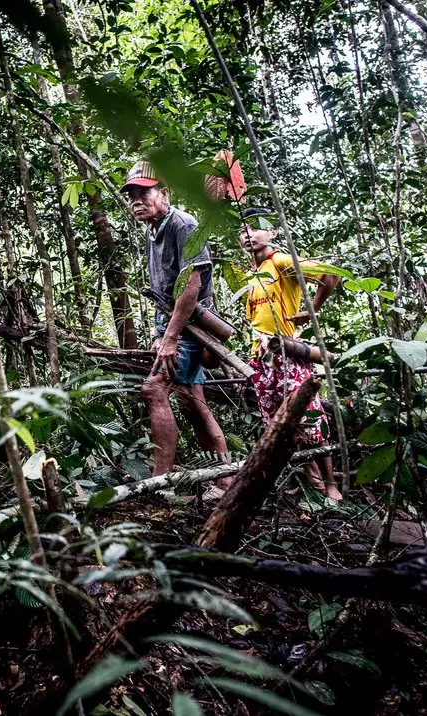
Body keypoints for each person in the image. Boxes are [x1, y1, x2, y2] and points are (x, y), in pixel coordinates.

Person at [121, 160, 229, 478]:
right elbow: (162, 290)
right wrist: (159, 333)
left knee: (154, 389)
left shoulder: (183, 225)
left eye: (144, 192)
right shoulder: (152, 232)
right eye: (131, 195)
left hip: (192, 326)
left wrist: (170, 337)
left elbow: (191, 286)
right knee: (192, 400)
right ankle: (225, 477)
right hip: (171, 324)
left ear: (164, 194)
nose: (136, 200)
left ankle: (160, 480)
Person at [240, 207, 342, 501]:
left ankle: (330, 483)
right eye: (243, 230)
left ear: (271, 233)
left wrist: (310, 313)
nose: (248, 235)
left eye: (256, 228)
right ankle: (312, 481)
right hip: (262, 357)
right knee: (278, 423)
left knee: (309, 417)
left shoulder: (280, 260)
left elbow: (328, 274)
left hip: (289, 353)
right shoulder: (255, 273)